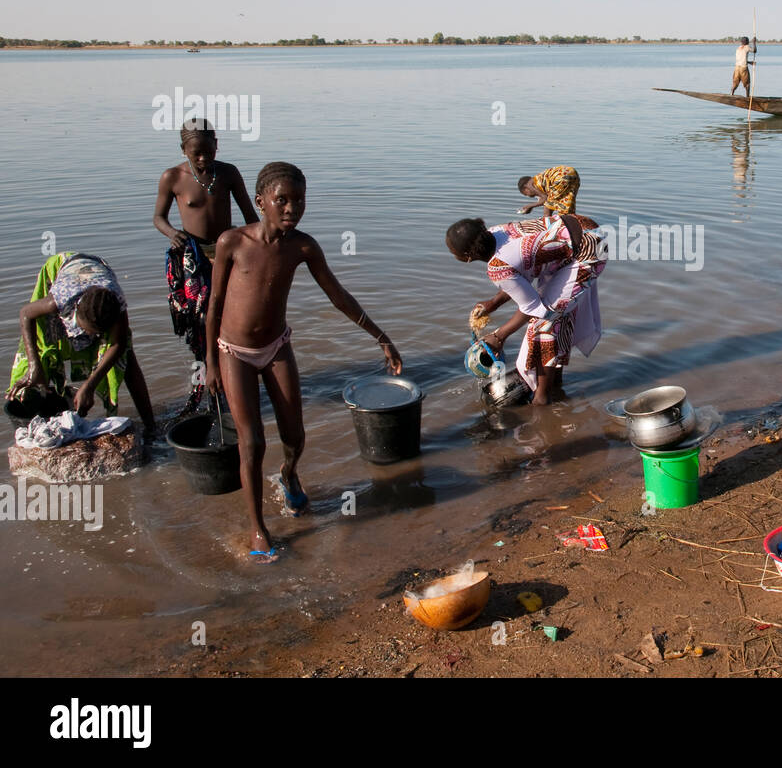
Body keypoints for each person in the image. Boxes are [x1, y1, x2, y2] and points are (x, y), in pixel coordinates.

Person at [206, 162, 402, 563]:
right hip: (234, 353)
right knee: (252, 442)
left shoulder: (303, 247)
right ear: (261, 202)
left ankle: (289, 474)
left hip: (276, 347)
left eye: (299, 200)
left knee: (295, 436)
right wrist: (209, 361)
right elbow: (213, 307)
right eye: (282, 200)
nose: (292, 208)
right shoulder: (232, 242)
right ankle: (259, 528)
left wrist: (381, 337)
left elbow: (338, 295)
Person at [153, 118, 258, 412]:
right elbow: (158, 217)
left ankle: (233, 375)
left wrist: (263, 248)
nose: (202, 159)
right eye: (195, 153)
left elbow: (250, 215)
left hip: (227, 253)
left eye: (208, 152)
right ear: (183, 149)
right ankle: (208, 378)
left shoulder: (228, 173)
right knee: (201, 320)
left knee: (231, 316)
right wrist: (173, 233)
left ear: (217, 146)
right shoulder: (172, 178)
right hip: (194, 258)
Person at [447, 213, 606, 406]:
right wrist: (493, 304)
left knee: (545, 322)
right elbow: (519, 272)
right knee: (557, 313)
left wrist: (498, 337)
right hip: (581, 226)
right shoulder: (497, 232)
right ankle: (554, 381)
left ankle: (542, 397)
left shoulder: (497, 268)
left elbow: (534, 308)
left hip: (590, 249)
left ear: (467, 257)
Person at [6, 252, 156, 435]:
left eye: (97, 334)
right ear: (76, 314)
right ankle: (40, 395)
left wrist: (90, 385)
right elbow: (26, 314)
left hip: (98, 275)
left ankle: (151, 426)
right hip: (62, 269)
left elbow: (118, 344)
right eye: (88, 331)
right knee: (44, 345)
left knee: (127, 357)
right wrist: (33, 364)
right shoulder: (59, 300)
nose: (91, 336)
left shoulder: (116, 303)